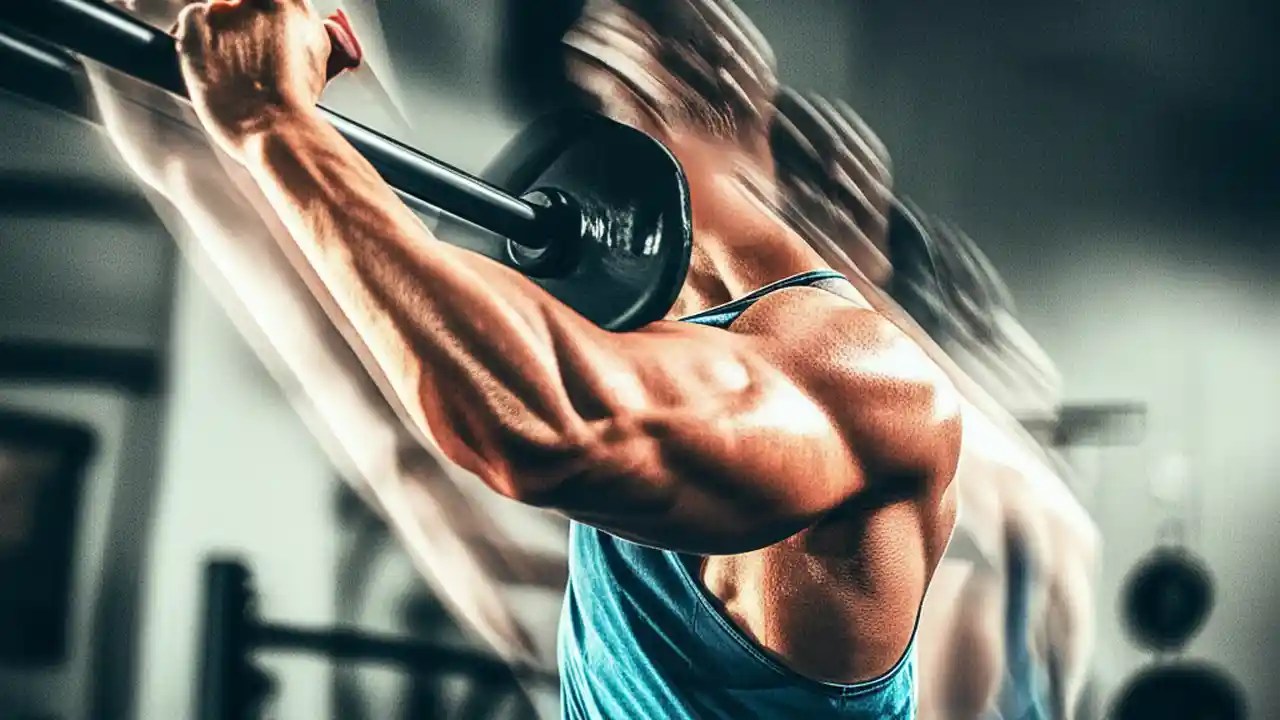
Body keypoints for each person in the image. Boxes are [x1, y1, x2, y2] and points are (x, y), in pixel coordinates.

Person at [166, 0, 973, 716]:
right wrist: (242, 119)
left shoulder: (861, 374)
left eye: (593, 102)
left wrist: (274, 121)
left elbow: (549, 427)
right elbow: (360, 344)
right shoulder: (670, 337)